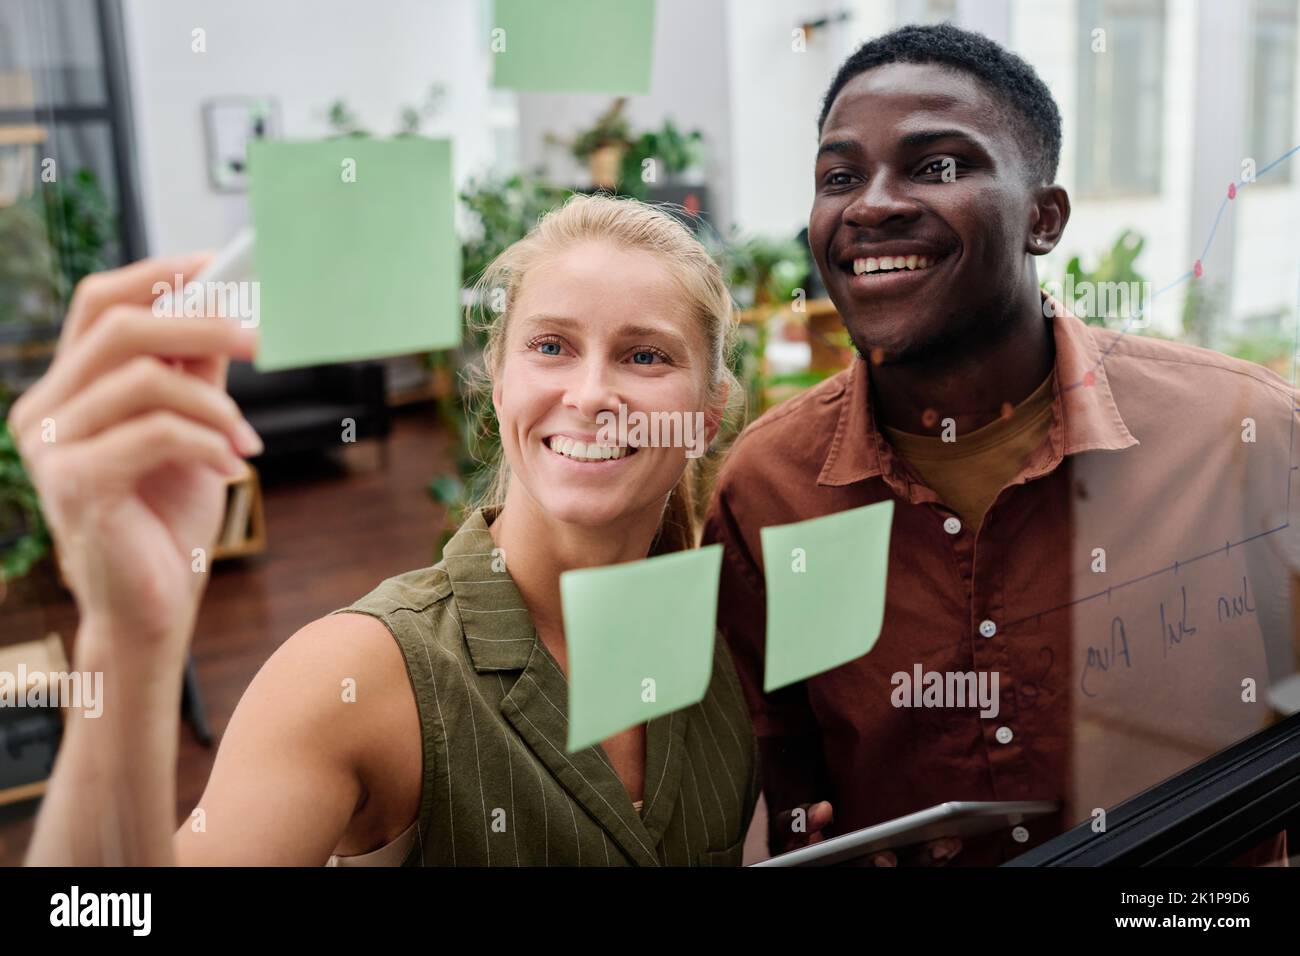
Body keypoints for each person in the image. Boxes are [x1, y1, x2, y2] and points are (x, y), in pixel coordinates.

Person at [17, 193, 769, 866]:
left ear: (705, 417)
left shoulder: (721, 639)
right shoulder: (358, 676)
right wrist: (129, 637)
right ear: (501, 384)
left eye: (645, 355)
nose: (591, 393)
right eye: (551, 346)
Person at [703, 23, 1297, 865]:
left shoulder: (1248, 435)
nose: (871, 204)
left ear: (1043, 219)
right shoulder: (769, 490)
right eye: (840, 176)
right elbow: (786, 786)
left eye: (936, 165)